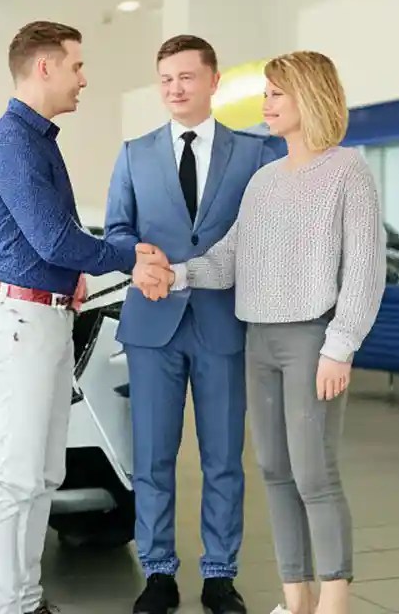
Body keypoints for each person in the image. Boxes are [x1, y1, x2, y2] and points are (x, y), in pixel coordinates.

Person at [136, 50, 385, 614]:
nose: (265, 104)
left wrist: (340, 346)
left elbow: (365, 270)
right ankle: (296, 600)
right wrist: (176, 275)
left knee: (314, 473)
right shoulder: (264, 181)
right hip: (259, 338)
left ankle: (334, 602)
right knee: (274, 469)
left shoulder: (348, 171)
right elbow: (229, 259)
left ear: (309, 96)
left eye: (276, 93)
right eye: (266, 93)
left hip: (312, 340)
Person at [103, 35, 283, 614]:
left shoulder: (254, 152)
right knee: (153, 456)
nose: (174, 88)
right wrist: (142, 258)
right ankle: (158, 572)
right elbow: (117, 231)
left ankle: (220, 575)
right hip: (151, 323)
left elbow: (267, 232)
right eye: (165, 79)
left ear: (213, 81)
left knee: (223, 457)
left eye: (185, 76)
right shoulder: (134, 153)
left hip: (222, 320)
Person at [0, 20, 138, 614]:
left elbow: (50, 239)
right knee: (14, 477)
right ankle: (4, 607)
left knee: (41, 474)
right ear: (44, 67)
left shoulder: (37, 140)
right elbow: (54, 240)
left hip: (44, 318)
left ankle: (25, 599)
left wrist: (74, 273)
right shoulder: (15, 144)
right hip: (21, 323)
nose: (83, 79)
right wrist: (130, 256)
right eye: (77, 66)